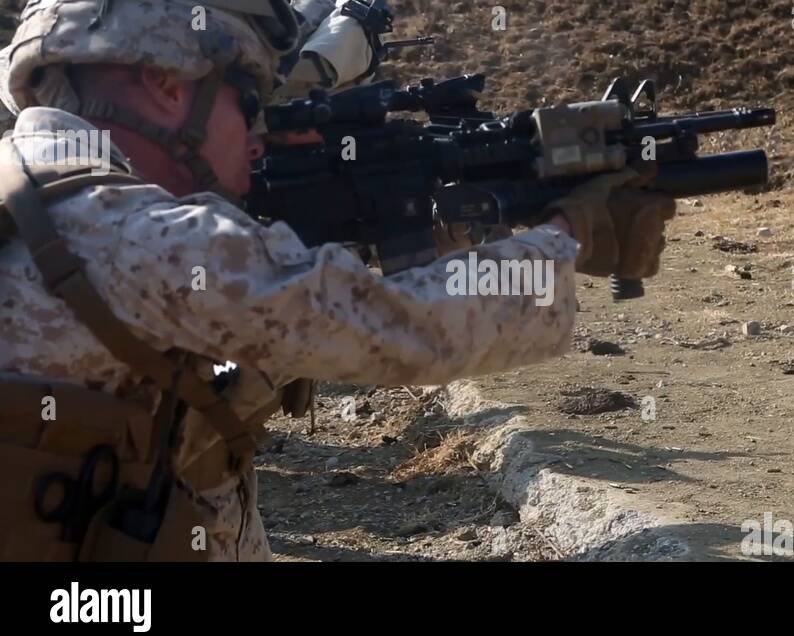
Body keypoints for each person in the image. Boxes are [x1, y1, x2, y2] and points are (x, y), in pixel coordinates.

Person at [0, 0, 675, 561]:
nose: (257, 135)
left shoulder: (34, 187)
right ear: (166, 84)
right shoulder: (136, 234)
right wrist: (567, 236)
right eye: (247, 101)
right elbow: (404, 327)